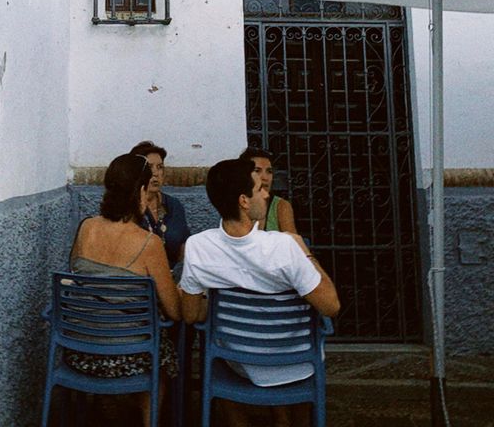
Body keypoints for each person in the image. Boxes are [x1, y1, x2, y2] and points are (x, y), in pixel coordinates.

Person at [180, 158, 340, 427]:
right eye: (259, 189)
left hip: (238, 361)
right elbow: (331, 306)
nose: (266, 193)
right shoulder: (285, 247)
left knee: (216, 358)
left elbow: (190, 314)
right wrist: (306, 253)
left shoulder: (198, 247)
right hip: (296, 361)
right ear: (244, 201)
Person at [67, 153, 181, 427]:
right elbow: (175, 312)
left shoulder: (86, 228)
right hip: (131, 355)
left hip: (80, 351)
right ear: (141, 191)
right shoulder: (149, 244)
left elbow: (76, 275)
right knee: (164, 351)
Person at [130, 139, 190, 268]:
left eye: (160, 167)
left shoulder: (174, 205)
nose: (155, 173)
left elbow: (184, 247)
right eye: (149, 167)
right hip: (139, 277)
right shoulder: (127, 206)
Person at [238, 145, 298, 233]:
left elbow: (292, 243)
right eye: (257, 170)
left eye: (269, 171)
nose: (265, 178)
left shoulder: (280, 206)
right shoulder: (236, 205)